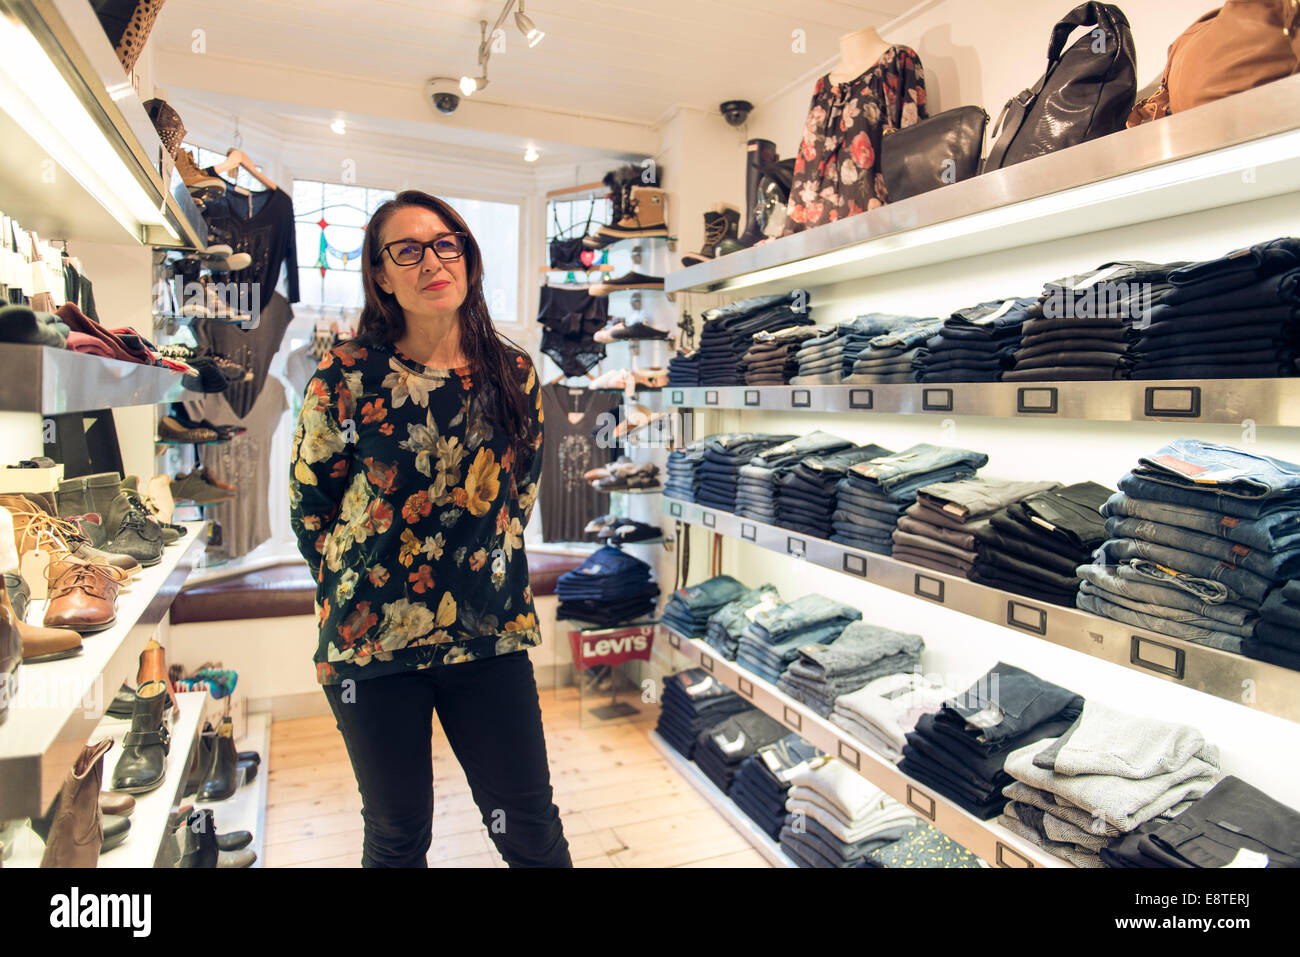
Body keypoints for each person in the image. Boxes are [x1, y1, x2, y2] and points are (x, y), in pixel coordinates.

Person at [289, 189, 571, 867]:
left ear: (468, 259)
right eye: (407, 250)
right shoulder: (348, 374)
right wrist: (361, 582)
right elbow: (310, 505)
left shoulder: (516, 372)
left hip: (489, 633)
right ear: (382, 275)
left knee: (527, 823)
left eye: (447, 243)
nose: (431, 260)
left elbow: (518, 492)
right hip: (373, 644)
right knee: (398, 831)